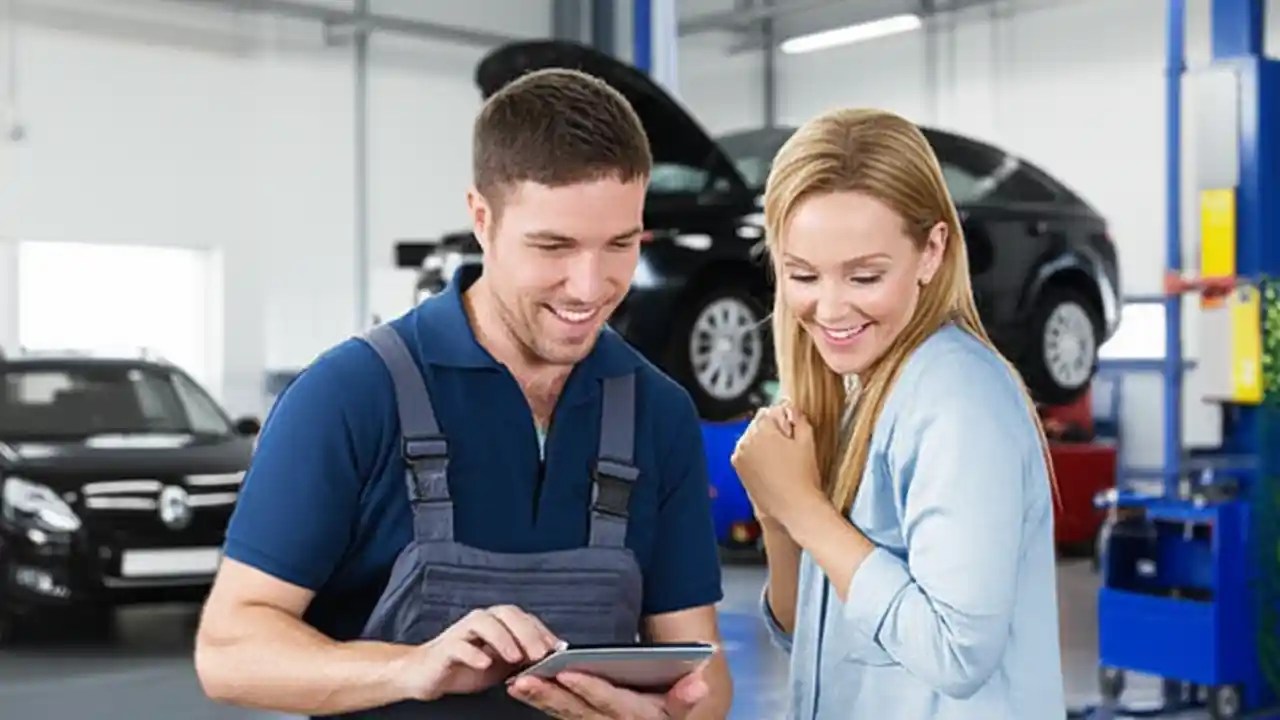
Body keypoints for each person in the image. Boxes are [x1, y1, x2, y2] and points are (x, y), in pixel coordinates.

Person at [194, 67, 733, 720]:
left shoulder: (659, 412)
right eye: (553, 246)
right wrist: (411, 667)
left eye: (620, 244)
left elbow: (704, 681)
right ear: (482, 218)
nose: (590, 287)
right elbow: (230, 651)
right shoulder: (350, 394)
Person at [730, 107, 1066, 719]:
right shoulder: (859, 391)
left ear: (932, 251)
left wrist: (805, 509)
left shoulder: (957, 400)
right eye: (802, 273)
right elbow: (804, 637)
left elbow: (957, 654)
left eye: (864, 276)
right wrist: (779, 519)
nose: (829, 308)